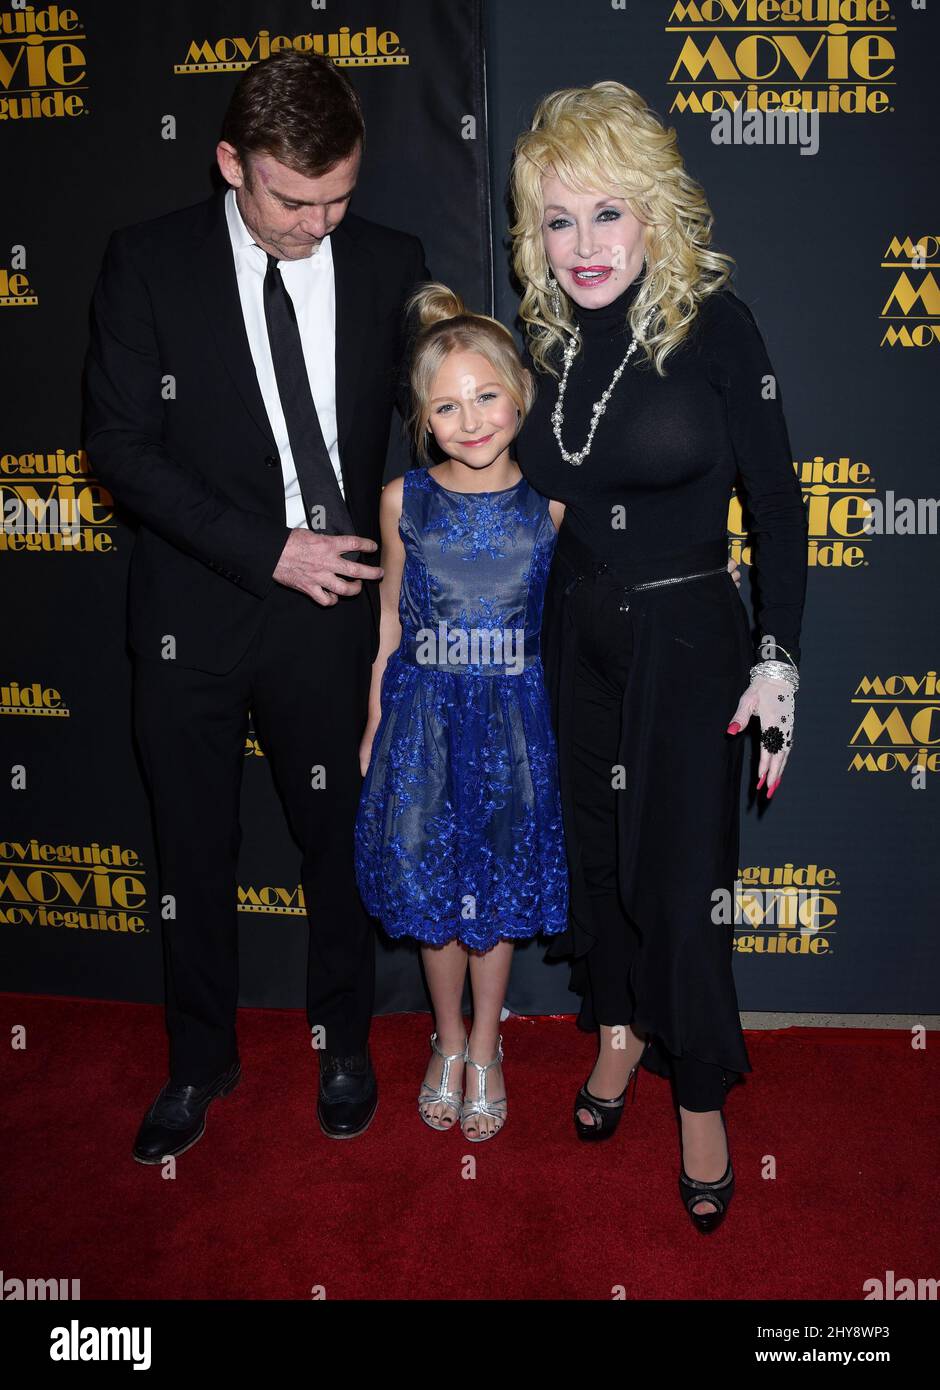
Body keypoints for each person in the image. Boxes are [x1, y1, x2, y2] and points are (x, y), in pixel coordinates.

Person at [81, 50, 430, 1161]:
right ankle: (198, 1062)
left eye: (338, 198)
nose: (315, 225)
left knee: (337, 842)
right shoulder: (148, 264)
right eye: (291, 199)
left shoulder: (390, 263)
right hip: (193, 602)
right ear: (232, 162)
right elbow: (120, 450)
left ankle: (343, 1043)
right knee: (191, 848)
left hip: (333, 606)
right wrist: (265, 548)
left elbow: (438, 430)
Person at [509, 81, 808, 1229]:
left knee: (680, 889)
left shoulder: (715, 324)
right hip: (572, 637)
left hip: (689, 644)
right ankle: (621, 1030)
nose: (582, 246)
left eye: (607, 214)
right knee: (601, 864)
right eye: (556, 219)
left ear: (655, 214)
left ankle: (697, 1093)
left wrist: (776, 659)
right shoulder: (539, 336)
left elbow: (777, 510)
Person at [353, 283, 570, 1141]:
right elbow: (386, 623)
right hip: (424, 719)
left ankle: (488, 1044)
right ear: (423, 418)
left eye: (486, 396)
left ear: (519, 391)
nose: (471, 420)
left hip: (514, 721)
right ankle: (445, 1040)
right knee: (433, 891)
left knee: (497, 891)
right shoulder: (403, 499)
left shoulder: (552, 505)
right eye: (447, 406)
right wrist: (375, 721)